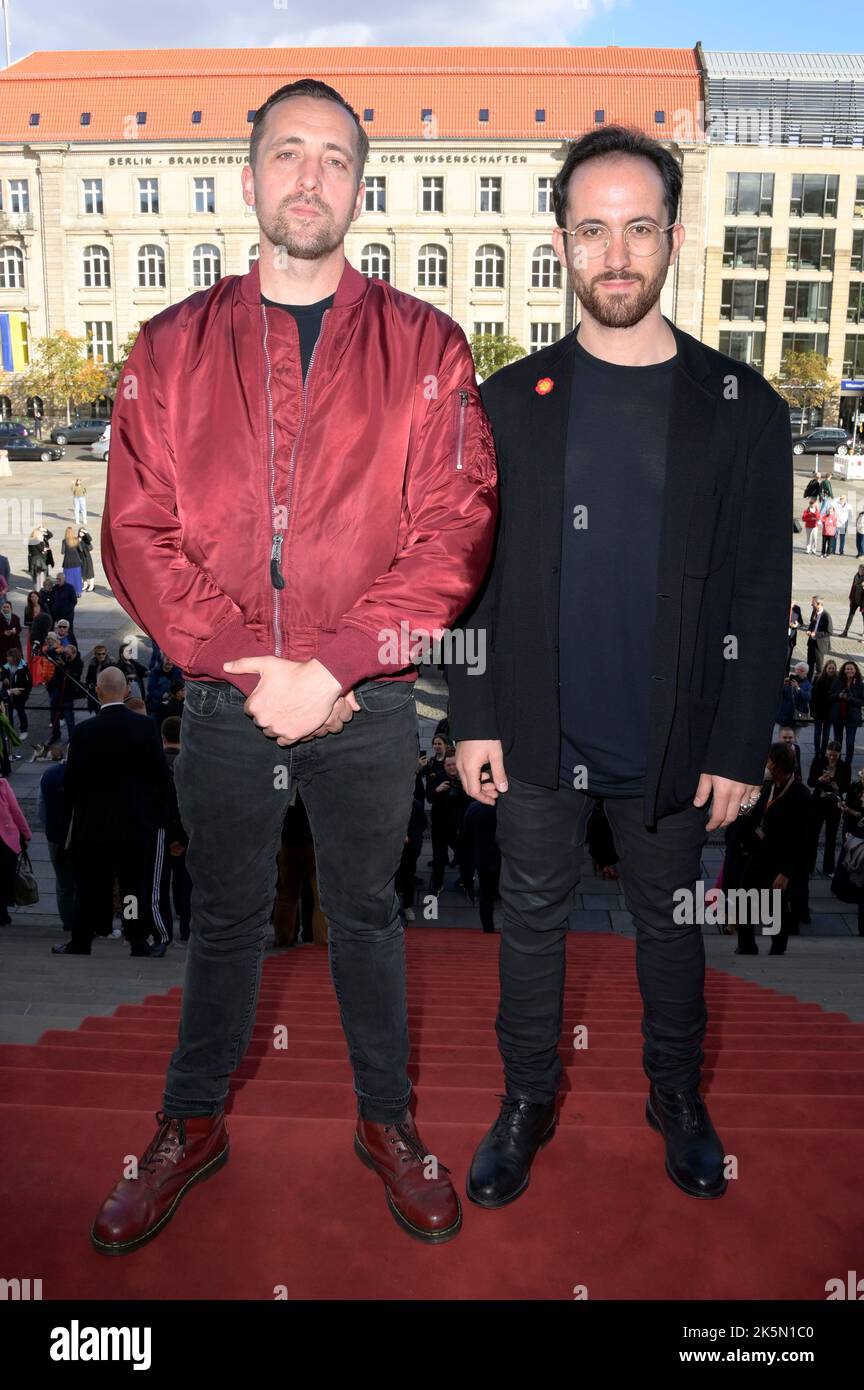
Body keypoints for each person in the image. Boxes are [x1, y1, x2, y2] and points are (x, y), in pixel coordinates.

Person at [92, 77, 497, 1255]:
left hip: (367, 701)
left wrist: (333, 665)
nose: (309, 176)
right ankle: (188, 1119)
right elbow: (137, 529)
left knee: (369, 914)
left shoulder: (427, 343)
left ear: (360, 189)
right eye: (288, 153)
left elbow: (454, 525)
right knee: (224, 919)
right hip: (226, 698)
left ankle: (387, 1122)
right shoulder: (169, 348)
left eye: (333, 157)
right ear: (252, 175)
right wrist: (247, 660)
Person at [446, 124, 791, 1208]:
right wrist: (473, 714)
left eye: (639, 228)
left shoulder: (743, 409)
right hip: (540, 727)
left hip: (677, 735)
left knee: (673, 929)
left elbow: (755, 592)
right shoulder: (507, 402)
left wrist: (742, 741)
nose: (618, 254)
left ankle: (675, 1097)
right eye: (593, 230)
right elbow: (476, 580)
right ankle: (525, 1098)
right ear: (562, 243)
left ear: (673, 239)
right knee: (530, 927)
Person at [52, 666, 174, 958]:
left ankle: (81, 940)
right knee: (133, 887)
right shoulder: (145, 727)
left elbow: (70, 783)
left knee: (89, 885)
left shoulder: (83, 732)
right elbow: (160, 777)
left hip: (92, 824)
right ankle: (137, 940)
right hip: (134, 824)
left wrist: (68, 819)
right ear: (127, 691)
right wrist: (158, 816)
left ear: (97, 691)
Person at [723, 743, 812, 956]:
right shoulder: (768, 786)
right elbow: (757, 817)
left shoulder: (800, 795)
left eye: (769, 761)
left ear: (779, 765)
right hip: (759, 854)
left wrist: (787, 872)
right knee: (744, 896)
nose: (766, 764)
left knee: (776, 906)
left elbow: (804, 840)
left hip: (782, 861)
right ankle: (746, 945)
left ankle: (778, 948)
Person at [37, 746, 76, 933]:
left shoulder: (49, 775)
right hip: (81, 837)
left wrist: (50, 828)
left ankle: (68, 922)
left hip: (55, 836)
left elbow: (41, 809)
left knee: (63, 883)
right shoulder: (90, 776)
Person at [807, 740, 850, 876]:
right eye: (830, 755)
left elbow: (846, 786)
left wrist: (838, 787)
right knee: (813, 836)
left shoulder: (844, 767)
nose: (832, 758)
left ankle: (829, 869)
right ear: (826, 752)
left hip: (834, 805)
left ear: (839, 754)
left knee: (831, 837)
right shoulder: (819, 762)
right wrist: (819, 780)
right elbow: (810, 782)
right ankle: (809, 867)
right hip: (818, 802)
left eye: (835, 756)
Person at [0, 772, 31, 926]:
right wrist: (26, 833)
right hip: (5, 839)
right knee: (5, 876)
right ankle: (2, 913)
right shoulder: (2, 785)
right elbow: (15, 811)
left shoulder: (2, 784)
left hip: (5, 838)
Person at [828, 660, 864, 763]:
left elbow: (862, 701)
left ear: (855, 670)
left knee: (850, 742)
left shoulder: (859, 683)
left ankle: (847, 763)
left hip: (852, 718)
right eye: (847, 669)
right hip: (838, 716)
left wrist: (851, 699)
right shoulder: (838, 681)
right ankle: (836, 762)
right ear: (844, 670)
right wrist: (838, 695)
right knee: (837, 741)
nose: (849, 671)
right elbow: (830, 696)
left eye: (851, 669)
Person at [1, 645, 31, 739]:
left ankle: (24, 730)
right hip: (8, 693)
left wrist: (24, 694)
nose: (7, 658)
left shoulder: (24, 667)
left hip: (19, 694)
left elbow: (29, 683)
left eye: (9, 656)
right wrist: (4, 678)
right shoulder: (5, 666)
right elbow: (2, 674)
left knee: (21, 712)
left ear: (14, 657)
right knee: (8, 713)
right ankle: (10, 731)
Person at [806, 596, 832, 680]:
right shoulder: (814, 612)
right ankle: (808, 683)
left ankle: (817, 684)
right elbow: (812, 623)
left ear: (819, 604)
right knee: (809, 665)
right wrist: (809, 630)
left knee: (819, 668)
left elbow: (829, 632)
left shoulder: (826, 616)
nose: (811, 604)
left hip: (819, 645)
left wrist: (816, 634)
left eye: (813, 603)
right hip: (811, 643)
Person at [840, 565, 864, 639]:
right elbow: (853, 588)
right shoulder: (856, 576)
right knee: (850, 615)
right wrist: (851, 597)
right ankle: (845, 631)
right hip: (855, 599)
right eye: (860, 570)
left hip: (863, 601)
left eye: (863, 570)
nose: (861, 571)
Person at [60, 527, 84, 596]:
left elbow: (62, 552)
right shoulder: (76, 540)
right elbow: (81, 550)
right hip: (76, 561)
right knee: (77, 578)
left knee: (68, 578)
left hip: (67, 561)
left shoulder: (64, 541)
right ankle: (78, 592)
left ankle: (68, 592)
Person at [0, 600, 22, 667]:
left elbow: (19, 628)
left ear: (11, 608)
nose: (5, 609)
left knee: (14, 661)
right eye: (4, 607)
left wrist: (15, 631)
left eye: (7, 607)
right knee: (3, 661)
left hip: (14, 643)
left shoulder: (16, 617)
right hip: (2, 643)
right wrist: (4, 633)